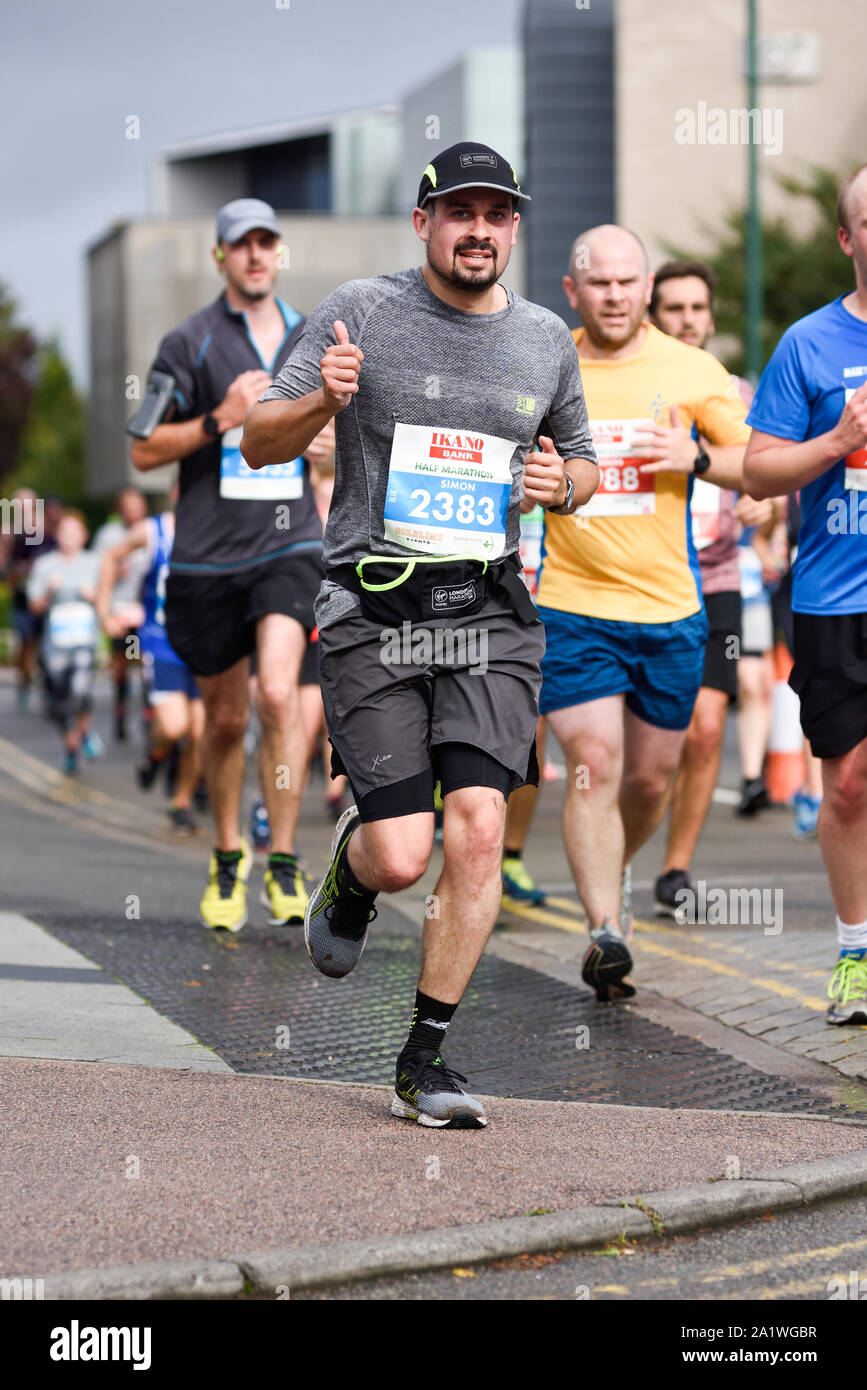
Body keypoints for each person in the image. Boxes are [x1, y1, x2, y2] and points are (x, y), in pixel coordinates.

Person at [242, 141, 598, 1128]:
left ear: (514, 229)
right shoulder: (360, 311)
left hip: (488, 611)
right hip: (376, 610)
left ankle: (424, 1059)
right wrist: (324, 396)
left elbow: (587, 462)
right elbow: (258, 439)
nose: (479, 230)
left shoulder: (542, 339)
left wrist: (561, 484)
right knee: (405, 853)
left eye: (498, 214)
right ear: (424, 222)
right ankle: (354, 875)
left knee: (480, 828)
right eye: (461, 213)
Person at [538, 225, 749, 999]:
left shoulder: (692, 370)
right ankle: (604, 930)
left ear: (646, 287)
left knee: (650, 781)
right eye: (599, 284)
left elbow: (753, 463)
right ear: (574, 290)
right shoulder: (545, 358)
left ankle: (611, 876)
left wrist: (693, 459)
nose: (615, 296)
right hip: (572, 603)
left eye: (628, 282)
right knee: (594, 761)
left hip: (669, 609)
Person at [128, 198, 325, 931]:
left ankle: (282, 859)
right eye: (240, 245)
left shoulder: (311, 337)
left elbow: (337, 434)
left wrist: (323, 442)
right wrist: (220, 420)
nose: (254, 256)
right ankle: (225, 854)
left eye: (266, 242)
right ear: (220, 256)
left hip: (289, 545)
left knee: (278, 695)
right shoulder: (190, 342)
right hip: (208, 558)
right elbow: (142, 450)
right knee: (224, 718)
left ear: (279, 253)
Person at [743, 162, 867, 1026]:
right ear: (846, 239)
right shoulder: (808, 344)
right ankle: (855, 954)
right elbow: (755, 467)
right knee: (851, 786)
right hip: (835, 598)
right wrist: (835, 441)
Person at [648, 261, 753, 910]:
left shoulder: (736, 393)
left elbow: (768, 469)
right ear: (653, 318)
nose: (686, 320)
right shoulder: (638, 388)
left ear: (711, 318)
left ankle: (675, 869)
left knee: (707, 727)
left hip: (714, 576)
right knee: (652, 741)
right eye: (673, 308)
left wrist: (762, 501)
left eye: (696, 308)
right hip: (647, 576)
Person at [96, 499, 205, 836]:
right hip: (162, 643)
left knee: (201, 734)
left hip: (206, 647)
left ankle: (181, 803)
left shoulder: (220, 527)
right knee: (174, 727)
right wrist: (104, 610)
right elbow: (112, 555)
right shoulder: (155, 530)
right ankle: (155, 755)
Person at [26, 510, 101, 774]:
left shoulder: (95, 562)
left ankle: (81, 736)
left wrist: (93, 596)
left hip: (84, 640)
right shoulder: (45, 564)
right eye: (65, 533)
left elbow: (107, 600)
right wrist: (49, 591)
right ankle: (72, 743)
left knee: (80, 693)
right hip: (55, 645)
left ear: (84, 535)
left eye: (75, 532)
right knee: (58, 703)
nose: (69, 538)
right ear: (58, 535)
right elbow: (33, 606)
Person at [91, 488, 148, 742]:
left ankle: (150, 714)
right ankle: (121, 714)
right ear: (120, 509)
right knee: (122, 666)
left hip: (144, 611)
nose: (133, 510)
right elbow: (98, 569)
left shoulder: (152, 530)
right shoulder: (109, 536)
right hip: (120, 610)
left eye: (137, 505)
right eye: (128, 505)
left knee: (146, 665)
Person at [1, 489, 59, 709]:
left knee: (44, 643)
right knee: (25, 643)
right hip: (22, 598)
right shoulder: (11, 533)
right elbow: (6, 572)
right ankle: (24, 683)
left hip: (46, 598)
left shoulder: (47, 529)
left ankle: (47, 684)